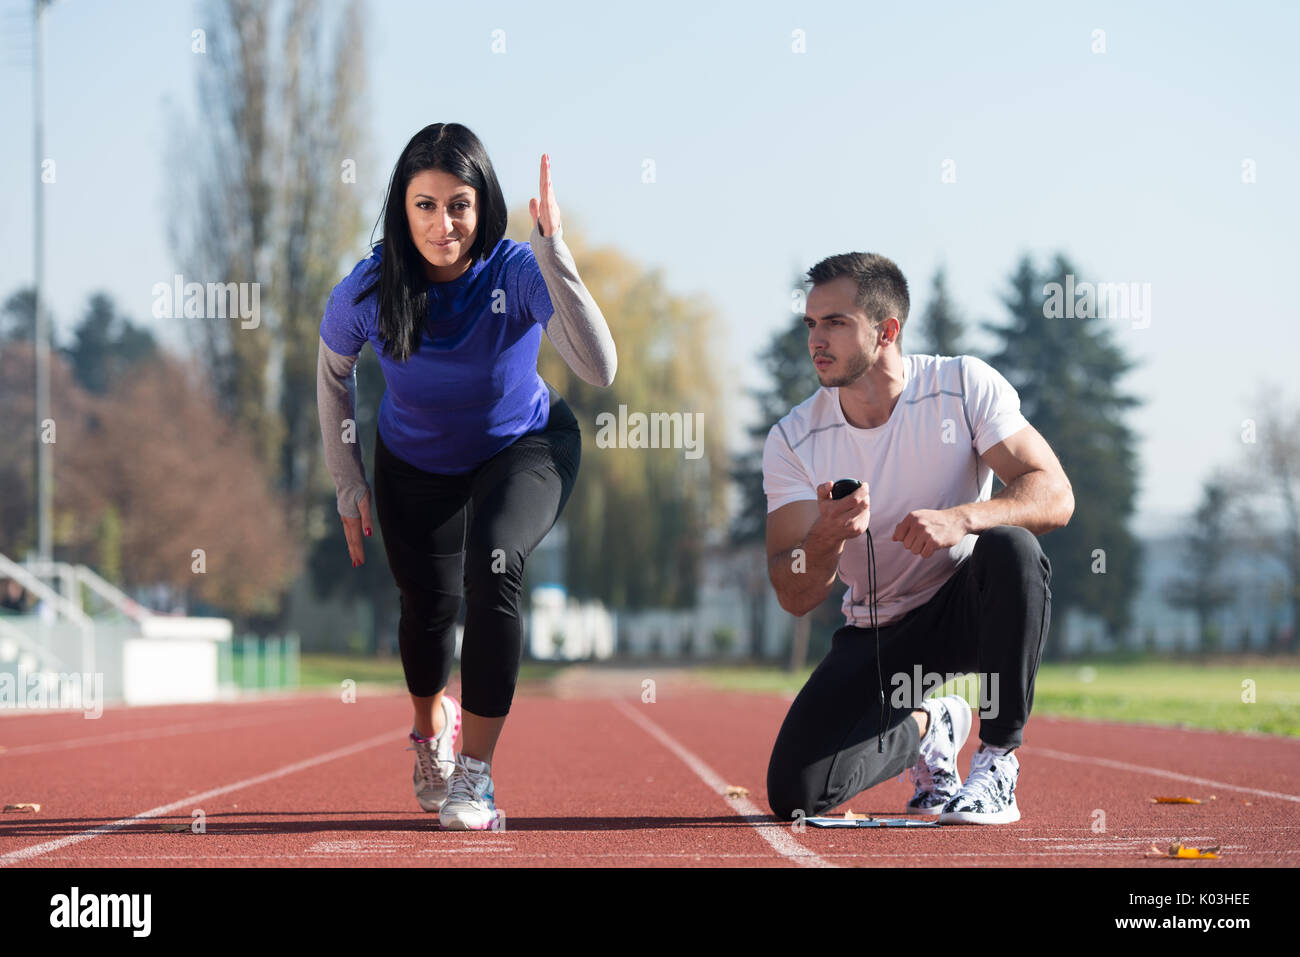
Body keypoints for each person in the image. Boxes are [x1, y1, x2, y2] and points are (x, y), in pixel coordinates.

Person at [317, 123, 616, 830]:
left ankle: (474, 777)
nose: (443, 223)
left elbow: (598, 366)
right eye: (425, 204)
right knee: (426, 610)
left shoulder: (516, 270)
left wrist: (554, 254)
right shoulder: (367, 288)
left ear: (484, 206)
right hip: (414, 461)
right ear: (403, 208)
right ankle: (431, 731)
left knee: (496, 560)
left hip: (523, 445)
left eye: (459, 204)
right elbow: (333, 374)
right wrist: (348, 481)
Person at [762, 252, 1072, 825]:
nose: (816, 340)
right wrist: (827, 535)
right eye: (811, 323)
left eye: (835, 322)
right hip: (878, 633)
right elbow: (794, 593)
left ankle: (998, 763)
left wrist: (965, 517)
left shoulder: (961, 385)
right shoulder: (793, 439)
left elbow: (1055, 495)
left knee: (1012, 548)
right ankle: (933, 727)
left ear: (886, 331)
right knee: (795, 794)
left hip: (966, 609)